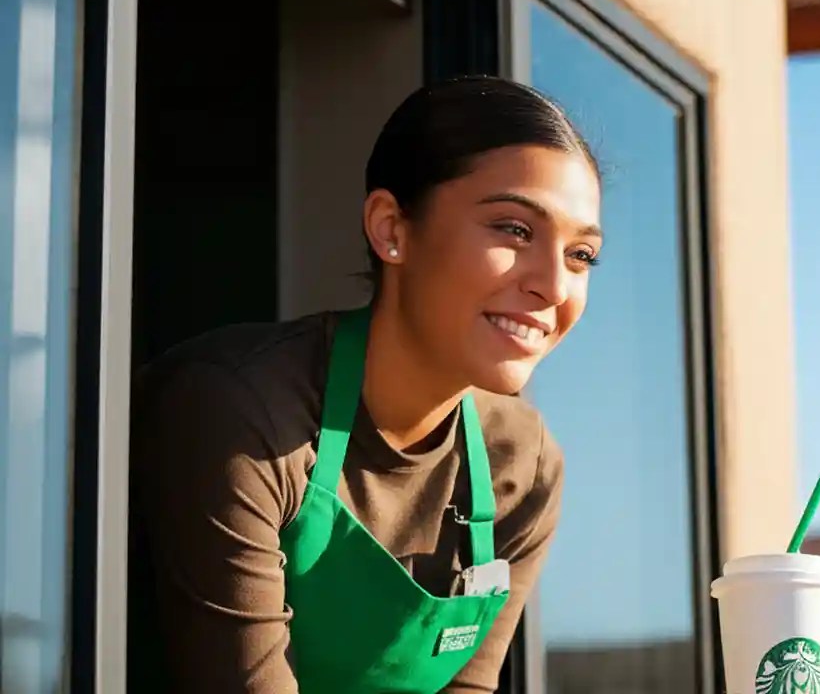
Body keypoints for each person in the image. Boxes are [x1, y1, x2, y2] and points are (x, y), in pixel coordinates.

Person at [127, 76, 602, 693]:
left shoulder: (524, 465)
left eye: (581, 255)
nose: (554, 287)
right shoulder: (240, 410)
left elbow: (467, 688)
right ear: (391, 229)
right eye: (514, 229)